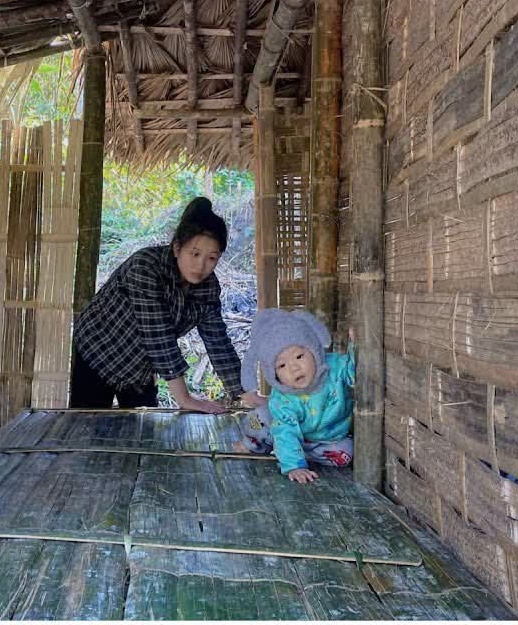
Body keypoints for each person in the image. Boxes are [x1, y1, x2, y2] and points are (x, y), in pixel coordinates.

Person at [70, 197, 242, 413]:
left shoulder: (208, 288)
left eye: (211, 258)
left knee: (143, 435)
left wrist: (244, 394)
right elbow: (158, 336)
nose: (201, 265)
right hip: (98, 351)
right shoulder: (145, 267)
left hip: (140, 368)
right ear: (177, 247)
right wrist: (185, 399)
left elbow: (218, 342)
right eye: (195, 254)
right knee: (86, 427)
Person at [235, 309, 355, 483]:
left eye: (299, 356)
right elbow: (285, 431)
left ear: (314, 350)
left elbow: (356, 373)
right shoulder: (282, 399)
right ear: (273, 374)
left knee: (346, 454)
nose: (294, 368)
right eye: (282, 365)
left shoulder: (335, 367)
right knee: (260, 418)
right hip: (288, 432)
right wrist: (295, 466)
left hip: (326, 439)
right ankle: (254, 446)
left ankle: (299, 453)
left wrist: (356, 346)